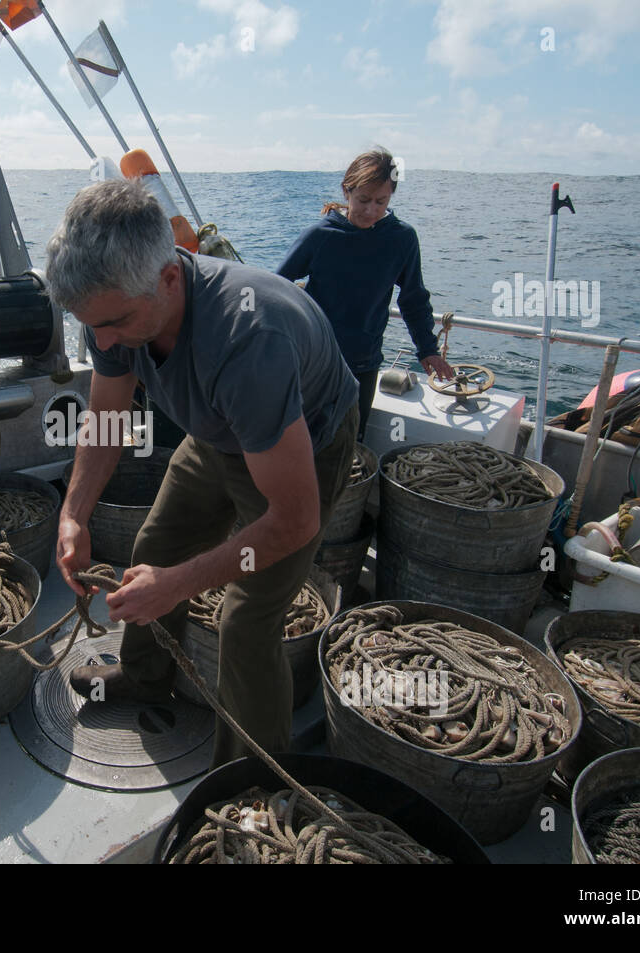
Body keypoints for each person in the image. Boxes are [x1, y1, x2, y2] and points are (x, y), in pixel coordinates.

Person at [45, 178, 359, 767]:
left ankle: (252, 779)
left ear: (169, 278)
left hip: (300, 448)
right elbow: (108, 415)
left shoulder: (247, 342)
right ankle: (143, 677)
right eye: (92, 326)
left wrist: (180, 584)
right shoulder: (111, 307)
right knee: (155, 544)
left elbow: (294, 521)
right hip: (220, 431)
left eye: (113, 323)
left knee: (246, 620)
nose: (103, 340)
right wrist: (73, 514)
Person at [277, 148, 453, 439]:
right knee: (303, 441)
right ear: (347, 191)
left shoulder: (402, 239)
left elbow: (413, 299)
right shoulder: (320, 236)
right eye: (363, 200)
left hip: (364, 363)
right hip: (314, 362)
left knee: (350, 443)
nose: (371, 210)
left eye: (381, 201)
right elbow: (277, 287)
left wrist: (428, 349)